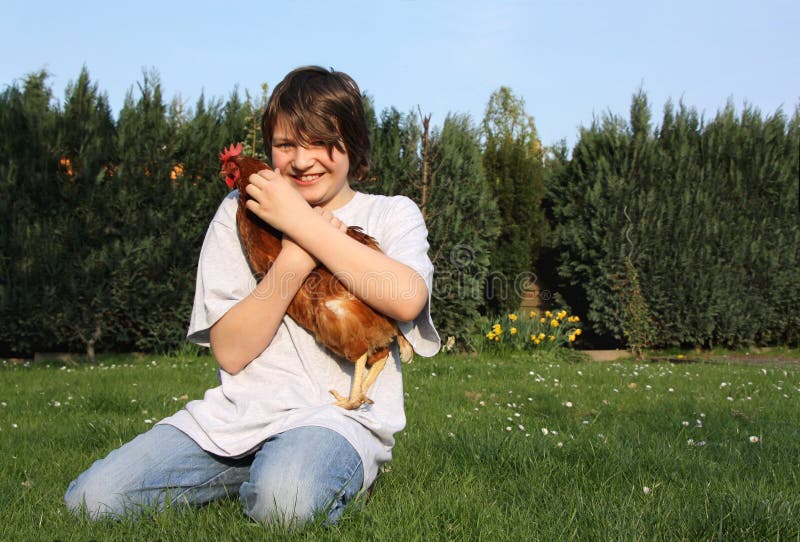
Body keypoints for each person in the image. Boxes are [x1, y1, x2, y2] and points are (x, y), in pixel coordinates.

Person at [64, 66, 440, 526]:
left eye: (321, 141)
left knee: (287, 502)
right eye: (285, 145)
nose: (302, 161)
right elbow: (232, 352)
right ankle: (266, 470)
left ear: (353, 143)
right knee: (91, 501)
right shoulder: (238, 215)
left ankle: (326, 467)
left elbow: (406, 299)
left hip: (335, 421)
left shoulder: (390, 214)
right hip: (235, 421)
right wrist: (296, 257)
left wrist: (299, 222)